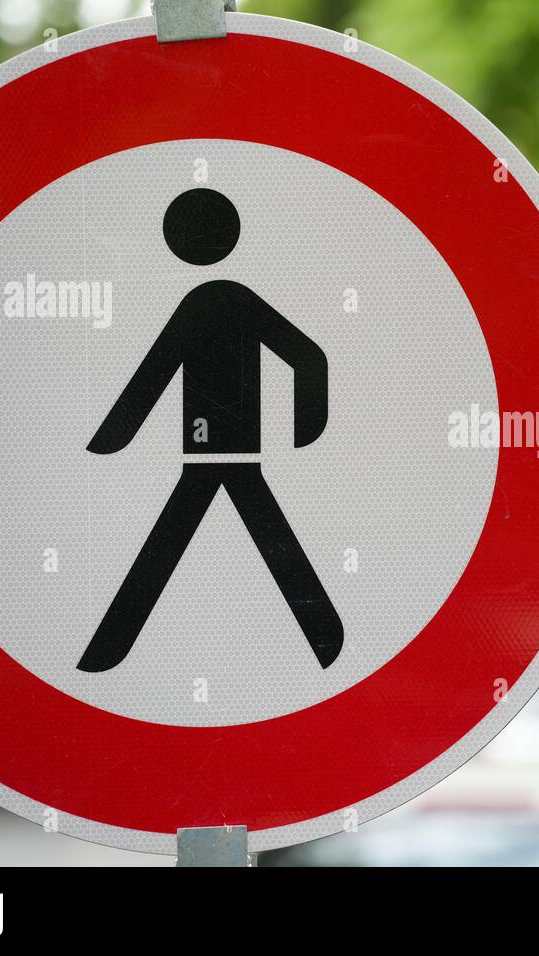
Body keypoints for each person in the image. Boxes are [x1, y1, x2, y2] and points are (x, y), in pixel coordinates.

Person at [78, 188, 342, 673]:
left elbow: (155, 373)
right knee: (233, 537)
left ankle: (107, 649)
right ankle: (328, 640)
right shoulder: (224, 299)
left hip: (218, 450)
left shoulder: (212, 300)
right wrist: (305, 427)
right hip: (221, 451)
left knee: (177, 542)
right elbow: (308, 358)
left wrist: (114, 436)